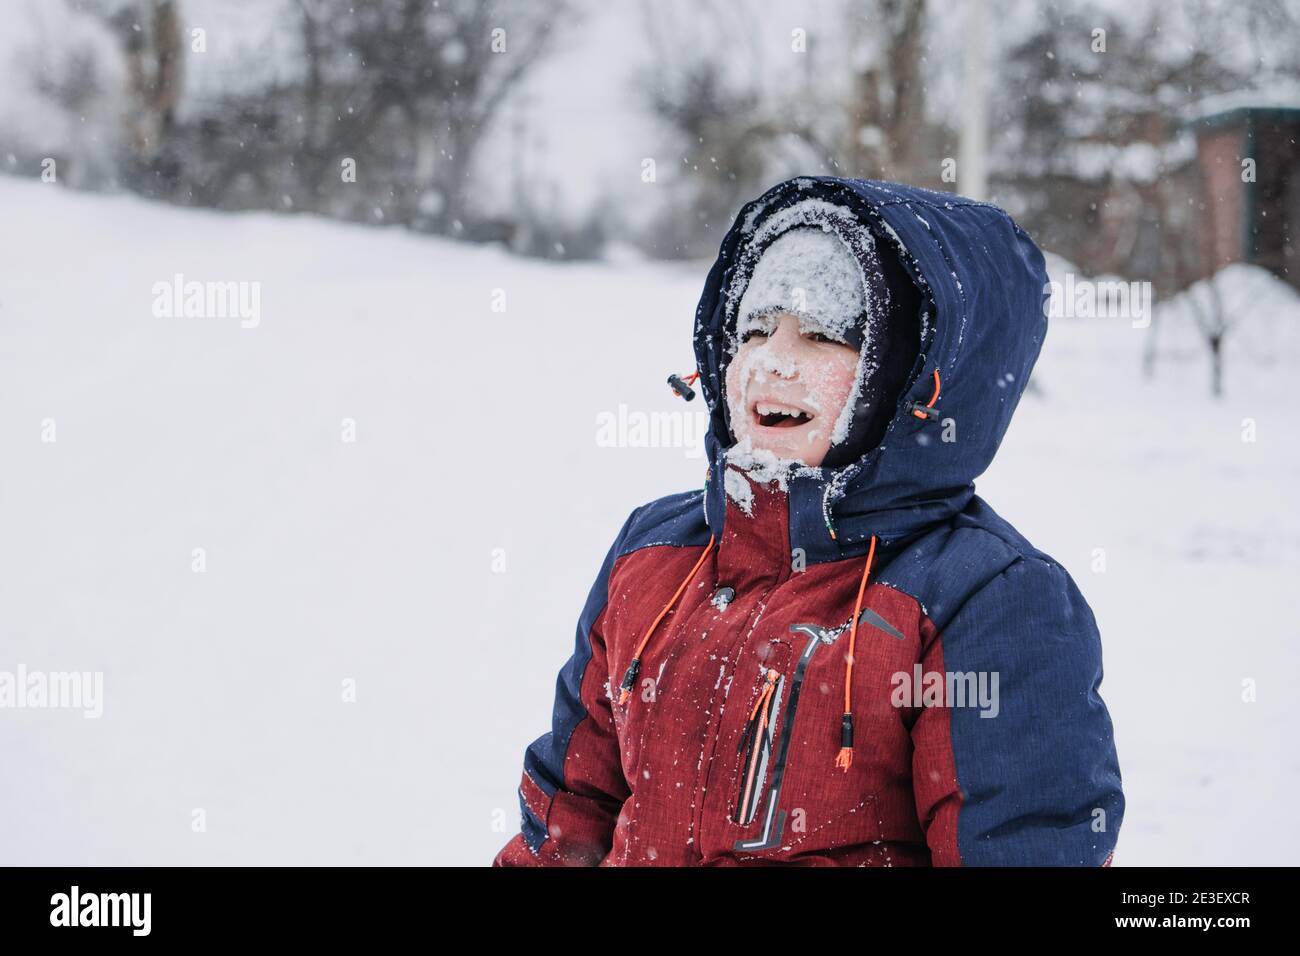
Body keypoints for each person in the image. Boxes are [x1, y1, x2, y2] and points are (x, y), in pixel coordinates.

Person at [493, 176, 1124, 866]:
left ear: (911, 379)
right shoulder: (655, 553)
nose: (773, 359)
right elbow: (570, 811)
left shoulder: (987, 599)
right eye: (755, 328)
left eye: (823, 335)